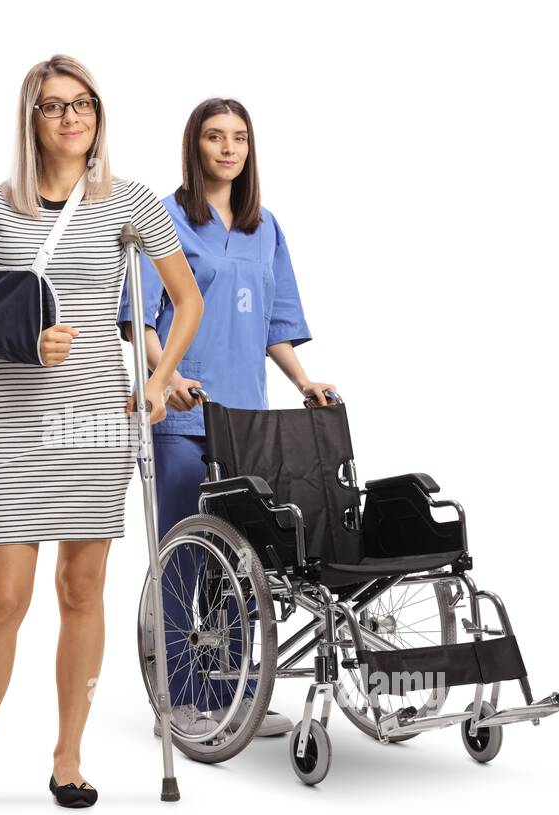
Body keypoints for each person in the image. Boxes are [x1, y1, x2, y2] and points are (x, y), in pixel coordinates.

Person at [0, 55, 203, 809]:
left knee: (82, 587)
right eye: (55, 107)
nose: (72, 118)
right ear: (31, 119)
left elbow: (185, 299)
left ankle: (69, 757)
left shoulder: (129, 202)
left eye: (83, 105)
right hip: (16, 415)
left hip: (93, 413)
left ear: (98, 116)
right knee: (5, 598)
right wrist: (24, 339)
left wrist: (155, 377)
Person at [118, 97, 336, 740]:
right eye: (215, 137)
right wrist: (169, 377)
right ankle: (182, 698)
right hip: (183, 417)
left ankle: (237, 691)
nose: (228, 148)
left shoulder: (264, 226)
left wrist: (302, 382)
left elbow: (277, 324)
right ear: (196, 145)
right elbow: (142, 317)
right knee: (188, 555)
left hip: (248, 423)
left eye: (239, 137)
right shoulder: (164, 218)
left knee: (243, 563)